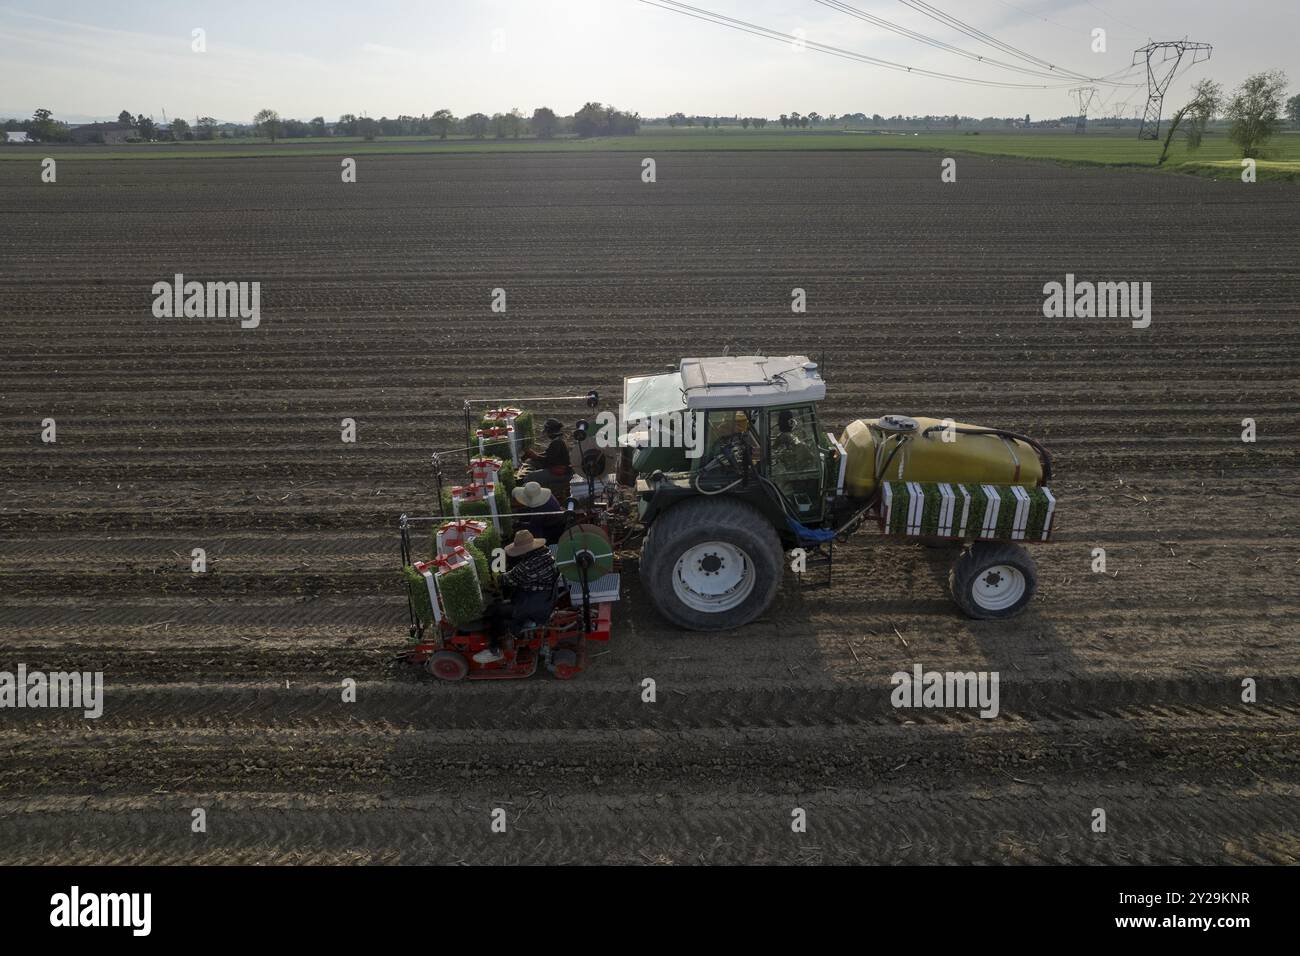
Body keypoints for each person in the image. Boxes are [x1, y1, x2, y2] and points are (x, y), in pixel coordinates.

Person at [473, 530, 560, 664]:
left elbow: (503, 580)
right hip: (546, 597)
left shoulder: (526, 567)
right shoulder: (547, 554)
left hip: (533, 606)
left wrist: (490, 575)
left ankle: (494, 650)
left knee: (494, 610)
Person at [519, 418, 573, 498]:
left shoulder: (557, 443)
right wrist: (534, 455)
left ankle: (529, 496)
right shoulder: (558, 440)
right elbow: (547, 454)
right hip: (558, 468)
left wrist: (535, 456)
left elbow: (548, 462)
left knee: (529, 477)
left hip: (561, 473)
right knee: (531, 462)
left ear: (549, 431)